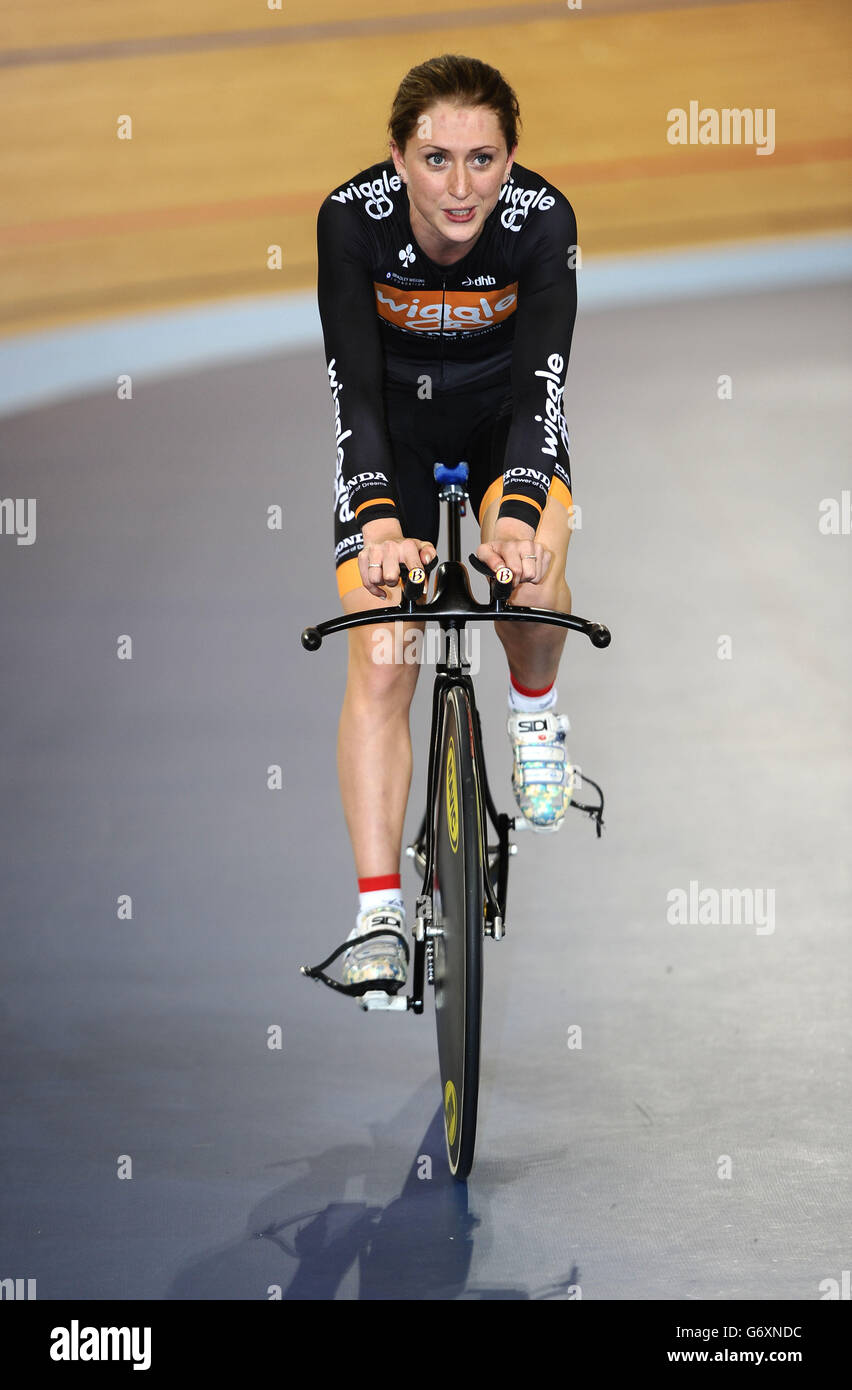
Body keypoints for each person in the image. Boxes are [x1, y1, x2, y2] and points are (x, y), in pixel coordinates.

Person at [316, 54, 579, 992]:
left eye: (483, 159)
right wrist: (380, 524)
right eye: (436, 159)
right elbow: (353, 393)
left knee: (531, 579)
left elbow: (540, 396)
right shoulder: (351, 220)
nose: (461, 187)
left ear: (511, 158)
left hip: (505, 423)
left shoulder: (542, 221)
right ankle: (378, 914)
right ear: (397, 157)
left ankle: (535, 713)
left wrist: (518, 524)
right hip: (394, 433)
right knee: (386, 645)